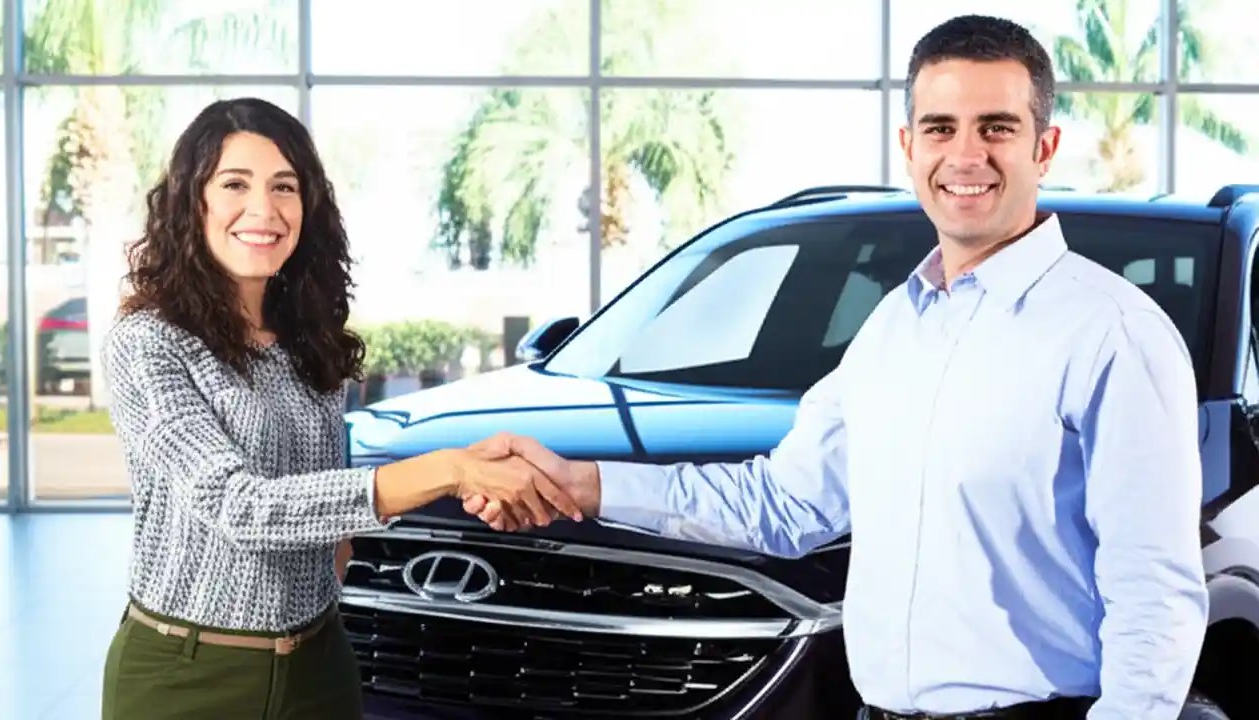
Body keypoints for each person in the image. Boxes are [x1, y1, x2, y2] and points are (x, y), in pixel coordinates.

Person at [463, 14, 1209, 720]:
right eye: (940, 128)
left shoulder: (1111, 333)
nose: (966, 155)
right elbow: (782, 506)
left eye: (997, 129)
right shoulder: (894, 328)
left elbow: (1156, 595)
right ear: (909, 146)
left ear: (1044, 148)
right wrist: (579, 483)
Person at [97, 97, 581, 720]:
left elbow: (333, 520)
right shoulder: (148, 343)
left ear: (308, 206)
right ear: (195, 202)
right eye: (235, 184)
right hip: (187, 677)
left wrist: (471, 475)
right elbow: (237, 506)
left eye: (284, 187)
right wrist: (450, 470)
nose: (263, 210)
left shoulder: (308, 336)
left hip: (319, 666)